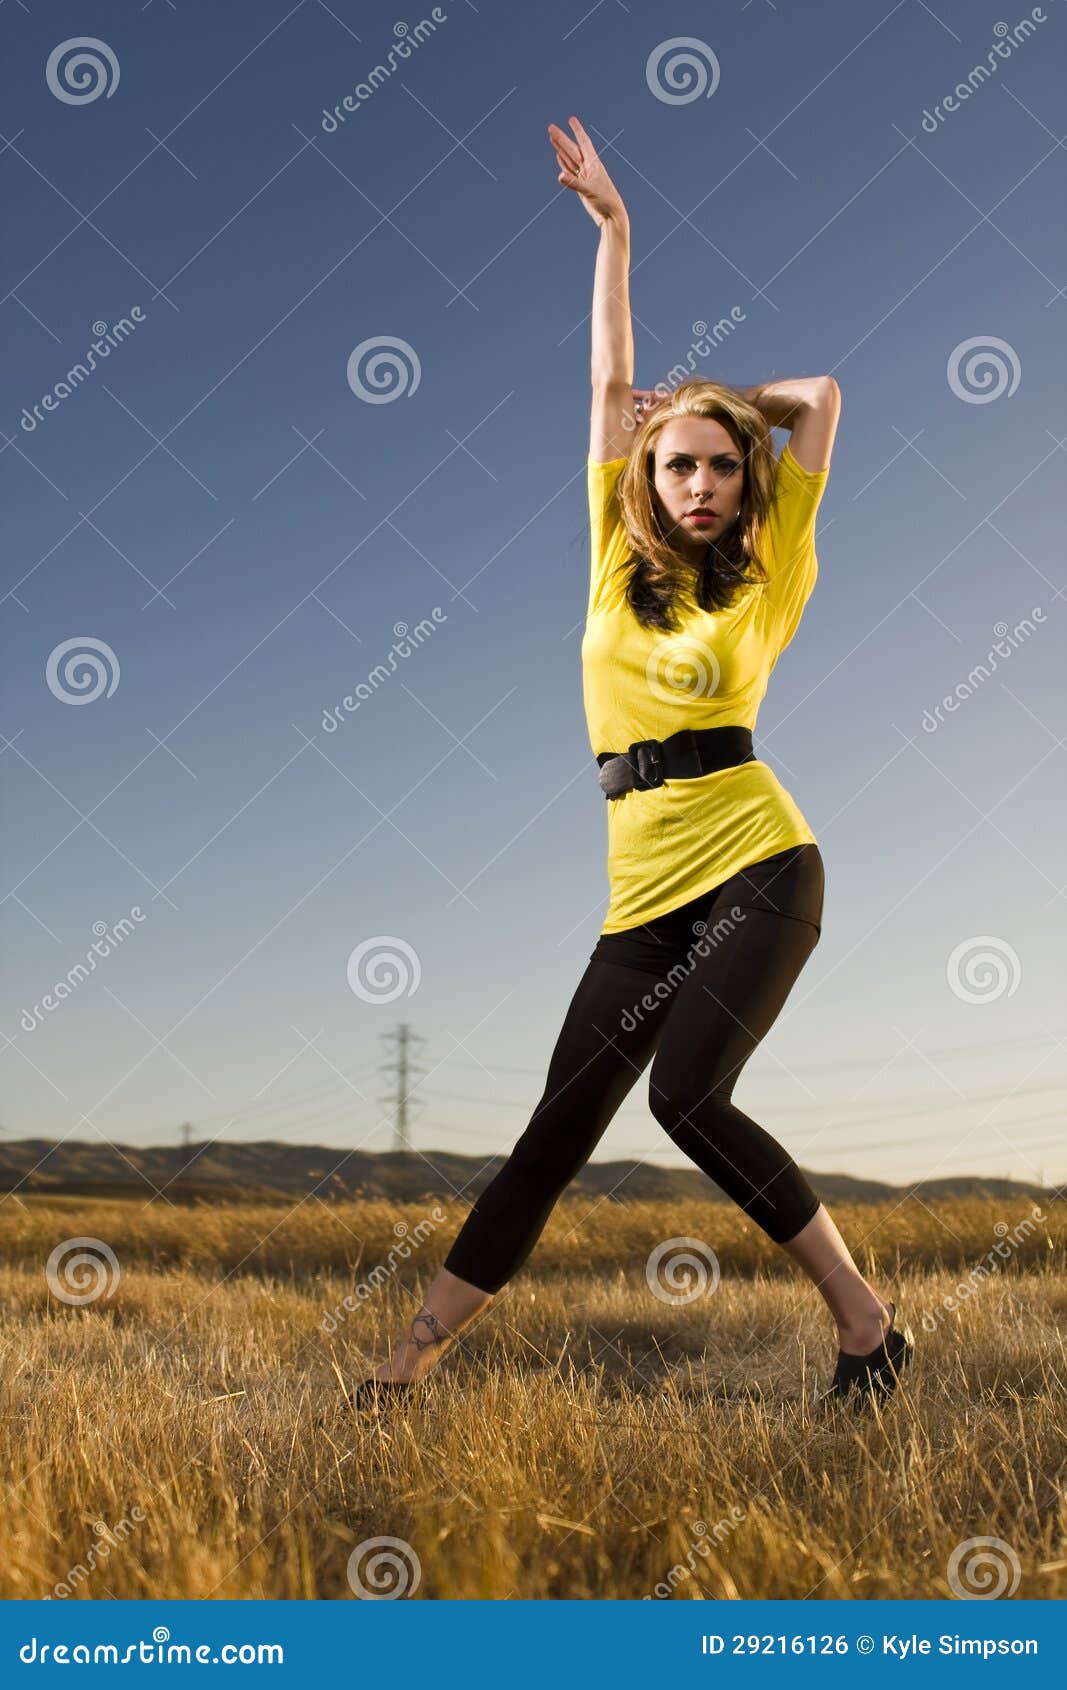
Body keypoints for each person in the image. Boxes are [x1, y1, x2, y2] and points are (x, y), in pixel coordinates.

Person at [349, 115, 912, 1413]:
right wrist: (615, 226)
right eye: (678, 465)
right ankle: (402, 1364)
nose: (700, 481)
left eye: (720, 466)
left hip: (761, 866)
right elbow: (610, 383)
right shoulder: (613, 556)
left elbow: (822, 397)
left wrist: (721, 401)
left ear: (743, 482)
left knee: (688, 1098)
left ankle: (866, 1325)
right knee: (555, 1129)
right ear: (646, 482)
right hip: (642, 897)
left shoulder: (773, 572)